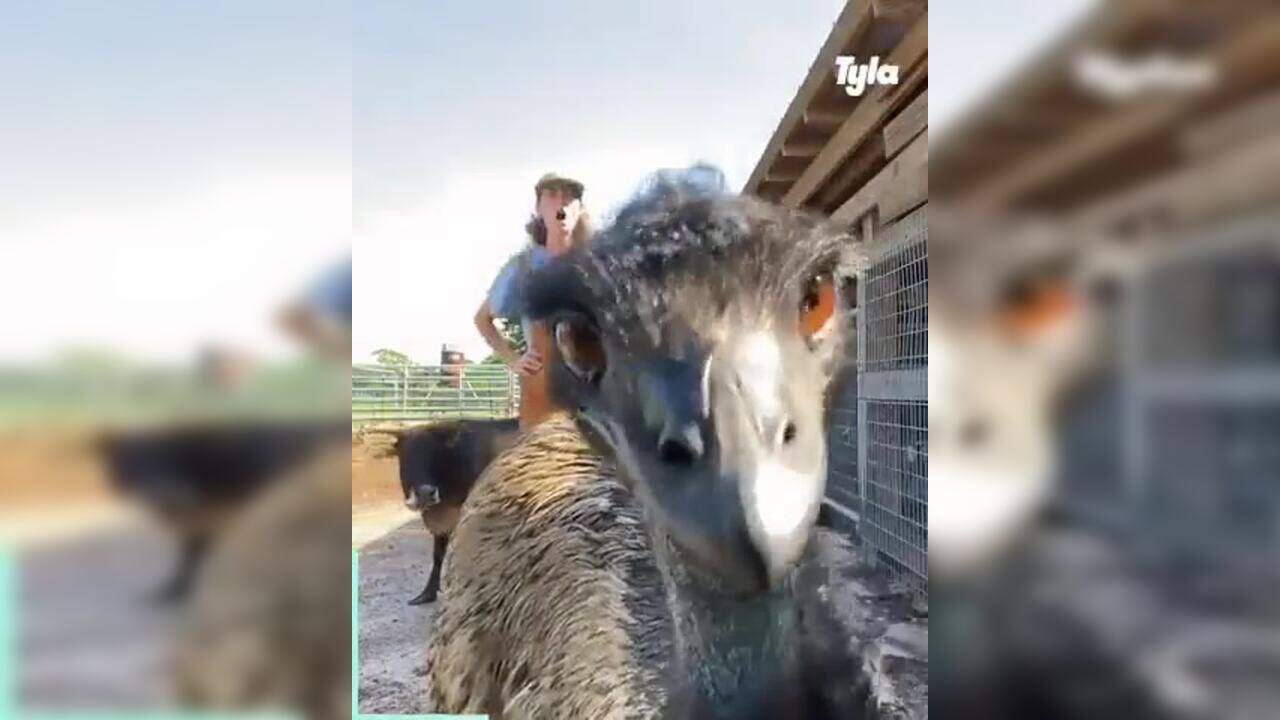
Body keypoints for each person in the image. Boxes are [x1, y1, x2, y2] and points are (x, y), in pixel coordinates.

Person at [475, 173, 591, 429]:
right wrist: (514, 360)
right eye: (552, 195)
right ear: (539, 209)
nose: (561, 202)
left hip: (597, 395)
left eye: (569, 196)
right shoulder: (523, 268)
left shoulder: (598, 263)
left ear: (580, 209)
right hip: (543, 397)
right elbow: (482, 319)